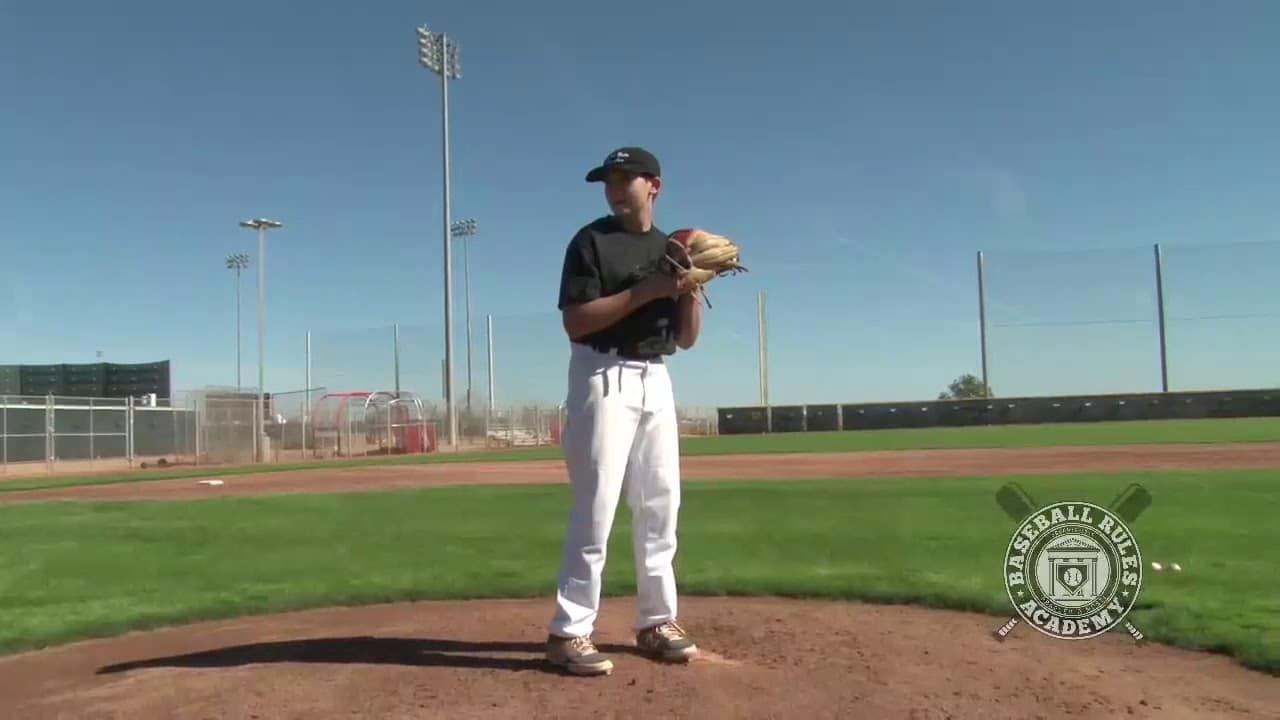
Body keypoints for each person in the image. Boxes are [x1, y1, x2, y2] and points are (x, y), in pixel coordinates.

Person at [545, 146, 702, 676]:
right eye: (607, 180)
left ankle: (657, 621)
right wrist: (649, 289)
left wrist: (691, 290)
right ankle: (570, 632)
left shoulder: (671, 248)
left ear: (652, 184)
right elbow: (577, 321)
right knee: (596, 508)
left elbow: (684, 339)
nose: (614, 188)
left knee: (661, 506)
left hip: (656, 377)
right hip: (601, 373)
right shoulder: (591, 242)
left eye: (624, 178)